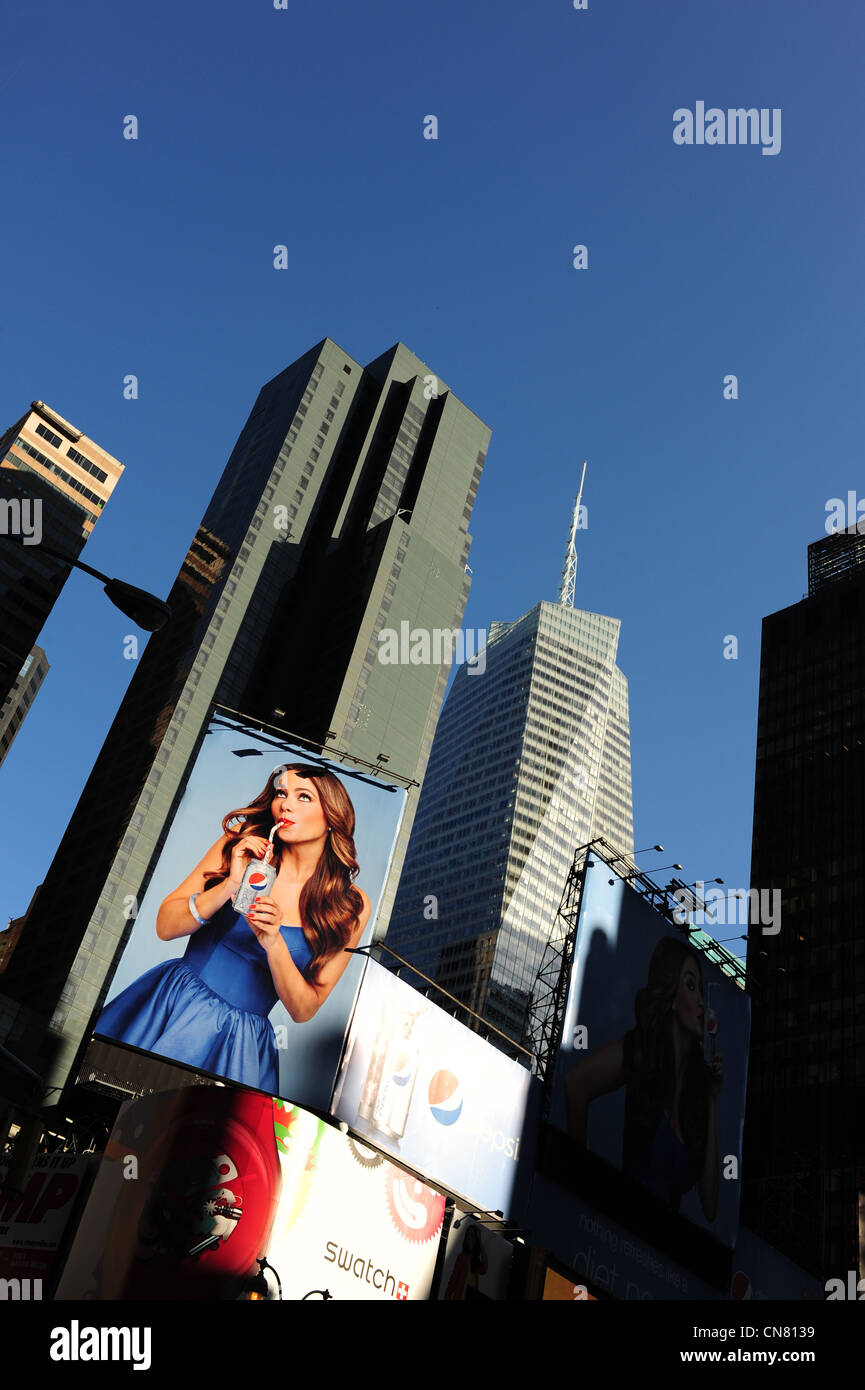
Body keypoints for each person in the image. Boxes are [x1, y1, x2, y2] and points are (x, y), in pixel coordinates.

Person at [97, 764, 371, 1089]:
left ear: (331, 816)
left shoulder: (350, 905)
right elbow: (165, 925)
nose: (286, 804)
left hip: (242, 1048)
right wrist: (230, 885)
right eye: (281, 793)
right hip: (172, 1006)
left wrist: (274, 943)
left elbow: (303, 1009)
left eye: (303, 797)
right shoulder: (238, 844)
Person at [563, 936, 724, 1221]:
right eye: (690, 986)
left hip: (662, 1255)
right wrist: (581, 1182)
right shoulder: (642, 1051)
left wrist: (712, 1097)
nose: (701, 1002)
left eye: (700, 989)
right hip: (617, 1231)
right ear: (672, 997)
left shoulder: (697, 1091)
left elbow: (711, 1206)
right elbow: (575, 1083)